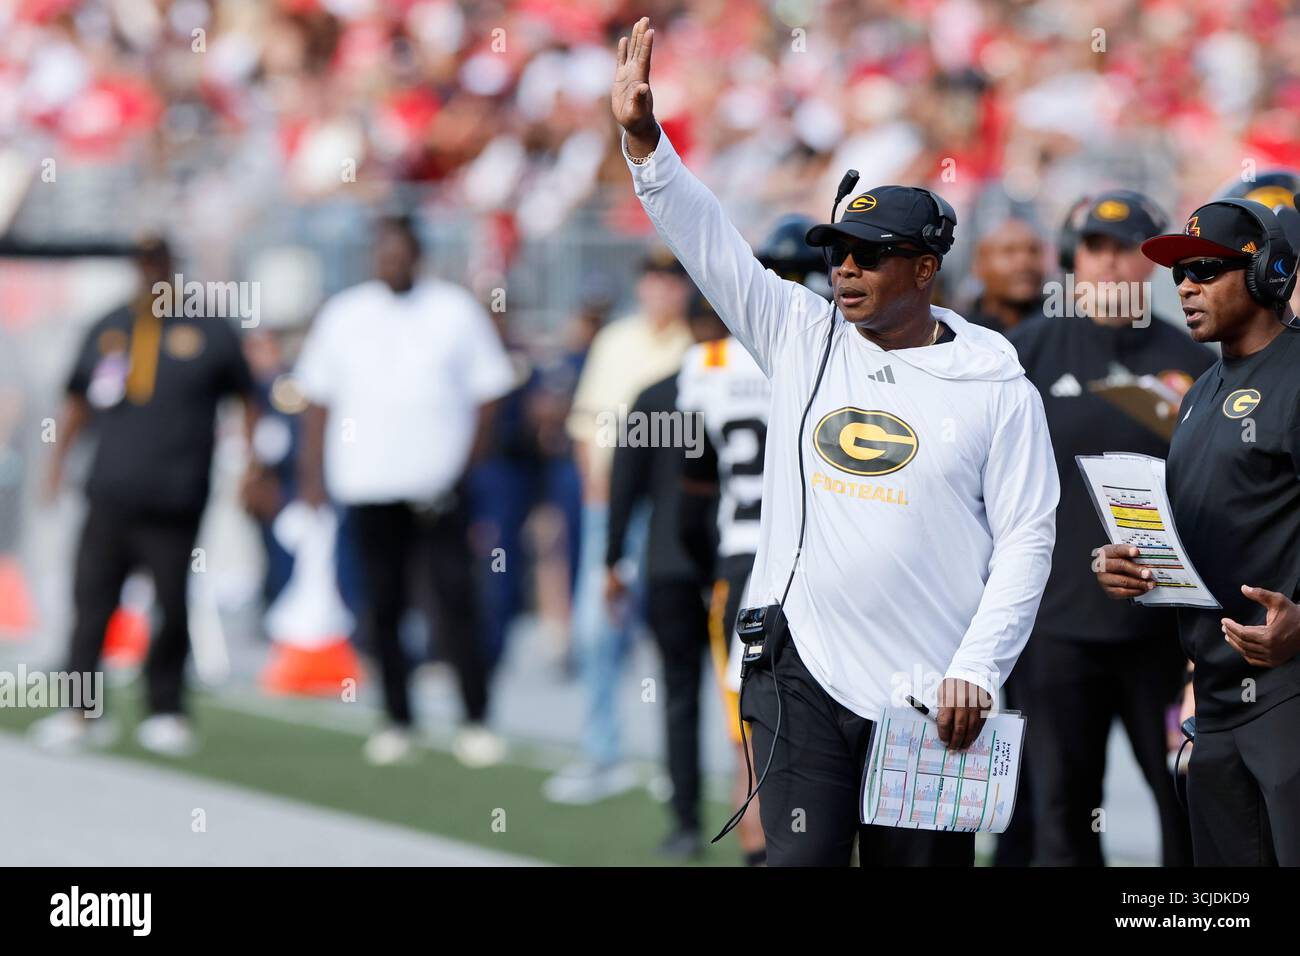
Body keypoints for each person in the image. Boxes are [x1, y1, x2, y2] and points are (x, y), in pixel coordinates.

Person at [613, 18, 1059, 866]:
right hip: (797, 668)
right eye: (837, 253)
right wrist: (646, 144)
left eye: (867, 255)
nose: (843, 269)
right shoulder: (799, 334)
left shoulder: (998, 385)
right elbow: (710, 244)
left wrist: (978, 666)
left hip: (931, 689)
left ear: (925, 270)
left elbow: (1029, 537)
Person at [1003, 191, 1213, 866]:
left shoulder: (1195, 360)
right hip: (1055, 628)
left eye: (1128, 249)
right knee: (1061, 809)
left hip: (1166, 630)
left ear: (1151, 261)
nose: (1111, 262)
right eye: (1097, 247)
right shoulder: (1023, 352)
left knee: (1184, 795)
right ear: (1075, 257)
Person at [1094, 198, 1300, 866]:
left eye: (1207, 268)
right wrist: (1131, 562)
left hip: (1289, 696)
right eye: (1180, 272)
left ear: (1270, 273)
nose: (1185, 285)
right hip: (1214, 701)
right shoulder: (1198, 392)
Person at [295, 214, 515, 768]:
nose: (391, 262)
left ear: (417, 255)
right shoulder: (345, 314)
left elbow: (490, 391)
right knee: (382, 607)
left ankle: (475, 717)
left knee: (454, 602)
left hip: (436, 488)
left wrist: (465, 466)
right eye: (383, 253)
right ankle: (396, 717)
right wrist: (312, 478)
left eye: (401, 253)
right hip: (368, 485)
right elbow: (317, 401)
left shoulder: (453, 309)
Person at [31, 238, 259, 756]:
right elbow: (76, 403)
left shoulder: (207, 328)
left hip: (176, 495)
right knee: (91, 604)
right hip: (110, 491)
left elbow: (248, 398)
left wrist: (253, 465)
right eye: (143, 264)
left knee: (172, 607)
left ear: (172, 267)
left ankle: (166, 709)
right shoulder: (110, 326)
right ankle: (80, 710)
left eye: (159, 263)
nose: (151, 273)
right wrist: (56, 466)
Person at [675, 215, 825, 867]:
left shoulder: (707, 361)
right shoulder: (833, 345)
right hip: (821, 555)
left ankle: (761, 853)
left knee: (752, 739)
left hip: (744, 558)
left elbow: (693, 474)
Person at [542, 245, 693, 805]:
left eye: (672, 279)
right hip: (612, 507)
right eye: (654, 279)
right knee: (596, 630)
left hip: (670, 510)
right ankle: (602, 750)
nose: (663, 289)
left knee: (670, 633)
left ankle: (671, 762)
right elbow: (587, 427)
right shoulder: (615, 341)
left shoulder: (696, 344)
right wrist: (599, 501)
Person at [605, 290, 723, 859]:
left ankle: (684, 821)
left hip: (670, 562)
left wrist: (611, 562)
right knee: (752, 701)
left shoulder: (657, 396)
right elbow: (624, 484)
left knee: (681, 696)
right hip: (736, 565)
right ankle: (767, 820)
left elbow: (622, 489)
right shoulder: (764, 387)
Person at [965, 218, 1046, 335]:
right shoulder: (960, 333)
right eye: (1009, 252)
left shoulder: (1060, 329)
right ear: (978, 265)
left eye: (1033, 251)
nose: (1025, 262)